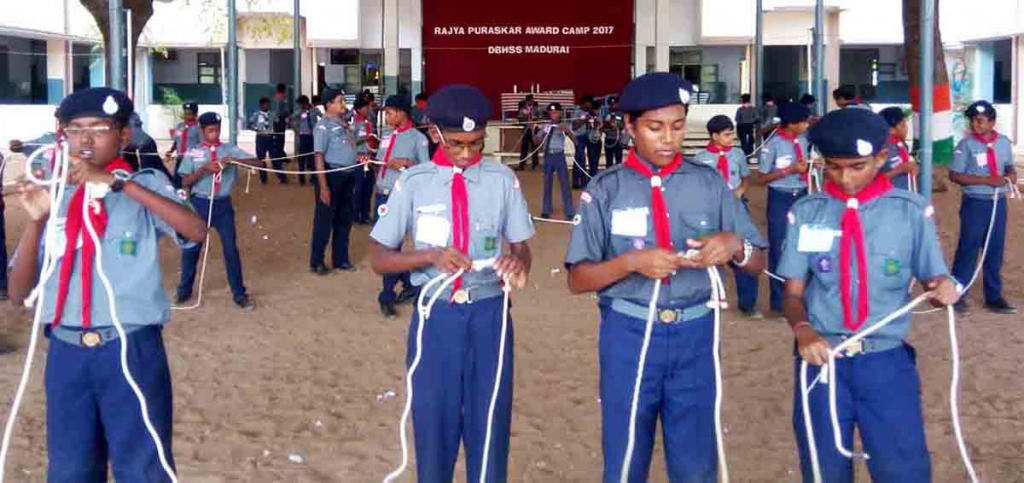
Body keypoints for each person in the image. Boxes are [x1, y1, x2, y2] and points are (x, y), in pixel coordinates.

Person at [565, 72, 767, 482]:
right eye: (655, 128)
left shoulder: (709, 183)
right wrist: (631, 263)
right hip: (628, 333)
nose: (668, 139)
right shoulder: (606, 190)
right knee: (624, 458)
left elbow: (756, 262)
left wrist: (733, 245)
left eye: (677, 127)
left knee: (695, 462)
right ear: (630, 126)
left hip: (696, 334)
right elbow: (578, 278)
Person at [7, 87, 207, 481]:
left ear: (123, 136)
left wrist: (119, 184)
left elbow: (196, 230)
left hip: (130, 347)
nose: (85, 139)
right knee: (70, 470)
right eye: (75, 129)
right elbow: (17, 293)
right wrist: (35, 222)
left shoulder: (144, 184)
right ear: (62, 134)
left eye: (99, 128)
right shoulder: (53, 195)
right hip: (66, 353)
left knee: (143, 468)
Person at [778, 107, 959, 483]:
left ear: (881, 157)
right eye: (833, 166)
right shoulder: (807, 212)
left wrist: (943, 288)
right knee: (823, 466)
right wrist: (803, 331)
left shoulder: (910, 213)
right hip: (822, 364)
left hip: (886, 364)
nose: (844, 178)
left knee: (902, 467)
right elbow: (792, 292)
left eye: (857, 166)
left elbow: (933, 278)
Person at [369, 84, 534, 483]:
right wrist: (429, 256)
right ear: (433, 133)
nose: (467, 154)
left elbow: (522, 245)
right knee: (434, 422)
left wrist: (518, 262)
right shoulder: (414, 183)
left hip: (490, 315)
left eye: (476, 143)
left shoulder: (501, 180)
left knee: (490, 419)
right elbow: (379, 259)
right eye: (458, 144)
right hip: (436, 317)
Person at [175, 112, 263, 309]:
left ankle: (239, 293)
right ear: (202, 130)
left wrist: (235, 161)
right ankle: (184, 290)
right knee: (192, 247)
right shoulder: (193, 152)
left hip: (223, 205)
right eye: (210, 130)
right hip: (200, 204)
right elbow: (185, 181)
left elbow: (259, 163)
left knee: (231, 249)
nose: (214, 134)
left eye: (217, 129)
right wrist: (203, 170)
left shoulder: (228, 150)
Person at [948, 100, 1018, 315]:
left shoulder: (1004, 143)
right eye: (973, 121)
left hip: (998, 203)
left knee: (994, 248)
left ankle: (994, 296)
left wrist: (1011, 172)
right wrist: (987, 181)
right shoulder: (965, 145)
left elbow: (1007, 164)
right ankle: (957, 294)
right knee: (969, 247)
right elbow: (955, 175)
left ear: (992, 122)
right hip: (976, 203)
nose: (975, 125)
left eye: (980, 121)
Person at [694, 115, 761, 319]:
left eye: (732, 133)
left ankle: (748, 304)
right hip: (711, 211)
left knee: (744, 249)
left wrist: (741, 190)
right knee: (708, 251)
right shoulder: (700, 159)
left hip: (736, 208)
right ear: (714, 136)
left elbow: (746, 178)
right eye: (727, 134)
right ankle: (708, 299)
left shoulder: (738, 154)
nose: (731, 137)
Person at [374, 94, 431, 318]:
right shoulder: (387, 136)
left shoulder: (418, 139)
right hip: (382, 195)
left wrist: (408, 164)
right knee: (388, 245)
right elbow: (380, 161)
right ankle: (410, 284)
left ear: (401, 113)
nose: (386, 116)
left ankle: (386, 296)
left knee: (390, 248)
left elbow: (427, 170)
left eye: (389, 112)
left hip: (403, 198)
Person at [758, 101, 812, 314]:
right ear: (791, 124)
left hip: (802, 195)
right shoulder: (772, 145)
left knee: (805, 244)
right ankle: (779, 302)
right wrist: (789, 170)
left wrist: (810, 167)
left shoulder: (803, 140)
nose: (807, 125)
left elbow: (804, 164)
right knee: (780, 246)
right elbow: (761, 178)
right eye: (804, 122)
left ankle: (803, 297)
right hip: (780, 197)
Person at [310, 88, 359, 275]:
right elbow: (318, 156)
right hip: (331, 175)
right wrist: (323, 187)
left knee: (344, 218)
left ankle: (341, 259)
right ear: (329, 104)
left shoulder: (344, 123)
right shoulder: (323, 126)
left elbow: (352, 145)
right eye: (339, 101)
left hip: (348, 175)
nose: (343, 104)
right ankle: (317, 261)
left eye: (343, 100)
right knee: (325, 220)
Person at [536, 102, 576, 220]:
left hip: (559, 156)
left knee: (565, 184)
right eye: (551, 112)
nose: (553, 114)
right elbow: (536, 142)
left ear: (559, 113)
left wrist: (567, 131)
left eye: (555, 112)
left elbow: (576, 142)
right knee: (547, 183)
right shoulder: (546, 125)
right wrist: (539, 131)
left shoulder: (564, 125)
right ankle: (546, 209)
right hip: (548, 156)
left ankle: (569, 210)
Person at [351, 95, 378, 224]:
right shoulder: (354, 124)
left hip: (370, 159)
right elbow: (350, 142)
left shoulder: (369, 123)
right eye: (366, 107)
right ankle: (355, 214)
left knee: (368, 188)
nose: (368, 109)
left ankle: (365, 214)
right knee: (359, 188)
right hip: (358, 160)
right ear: (359, 109)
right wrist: (365, 139)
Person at [878, 106, 919, 191]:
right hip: (887, 199)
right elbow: (869, 181)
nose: (906, 129)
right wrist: (899, 169)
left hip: (906, 196)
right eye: (902, 125)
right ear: (891, 130)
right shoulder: (879, 149)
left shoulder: (901, 145)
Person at [248, 97, 288, 185]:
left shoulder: (272, 114)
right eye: (266, 104)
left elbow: (277, 123)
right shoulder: (256, 115)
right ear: (261, 105)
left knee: (275, 158)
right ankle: (263, 179)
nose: (268, 106)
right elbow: (249, 124)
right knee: (261, 159)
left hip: (271, 138)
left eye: (268, 104)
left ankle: (283, 178)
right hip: (261, 138)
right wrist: (256, 129)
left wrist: (276, 131)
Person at [165, 102, 200, 187]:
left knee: (191, 183)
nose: (186, 116)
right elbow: (177, 141)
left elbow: (202, 145)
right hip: (180, 159)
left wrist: (192, 155)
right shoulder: (179, 126)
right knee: (177, 183)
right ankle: (179, 199)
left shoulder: (199, 128)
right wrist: (171, 150)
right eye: (185, 113)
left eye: (189, 114)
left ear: (195, 114)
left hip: (192, 161)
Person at [291, 95, 322, 186]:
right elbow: (289, 119)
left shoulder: (315, 110)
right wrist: (295, 130)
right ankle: (302, 179)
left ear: (305, 103)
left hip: (313, 137)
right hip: (303, 137)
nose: (300, 106)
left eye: (301, 104)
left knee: (312, 159)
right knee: (301, 159)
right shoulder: (299, 112)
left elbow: (323, 117)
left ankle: (313, 178)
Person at [516, 97, 540, 171]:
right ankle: (521, 165)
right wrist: (526, 119)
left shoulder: (536, 108)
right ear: (526, 101)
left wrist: (535, 119)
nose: (531, 102)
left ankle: (535, 165)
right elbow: (519, 118)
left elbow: (540, 116)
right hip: (526, 130)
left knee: (534, 147)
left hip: (534, 129)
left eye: (532, 101)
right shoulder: (523, 108)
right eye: (530, 101)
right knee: (524, 148)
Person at [602, 96, 626, 167]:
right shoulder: (606, 112)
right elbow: (603, 124)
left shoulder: (621, 113)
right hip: (608, 139)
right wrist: (607, 125)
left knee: (618, 161)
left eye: (614, 103)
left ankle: (618, 177)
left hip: (618, 140)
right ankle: (609, 177)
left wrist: (616, 124)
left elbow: (624, 125)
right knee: (609, 161)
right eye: (611, 104)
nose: (613, 105)